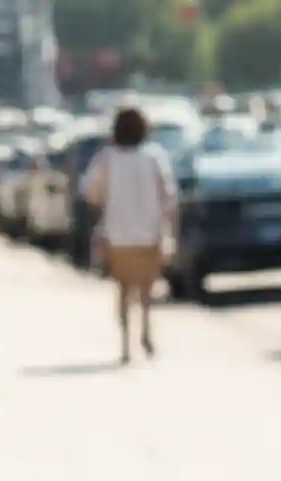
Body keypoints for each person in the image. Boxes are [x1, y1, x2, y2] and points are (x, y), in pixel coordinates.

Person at [81, 107, 178, 365]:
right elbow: (168, 194)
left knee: (123, 290)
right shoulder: (154, 156)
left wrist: (105, 205)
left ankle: (126, 345)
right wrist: (168, 228)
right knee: (147, 289)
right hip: (149, 232)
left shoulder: (107, 158)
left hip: (118, 233)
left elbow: (91, 191)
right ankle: (146, 330)